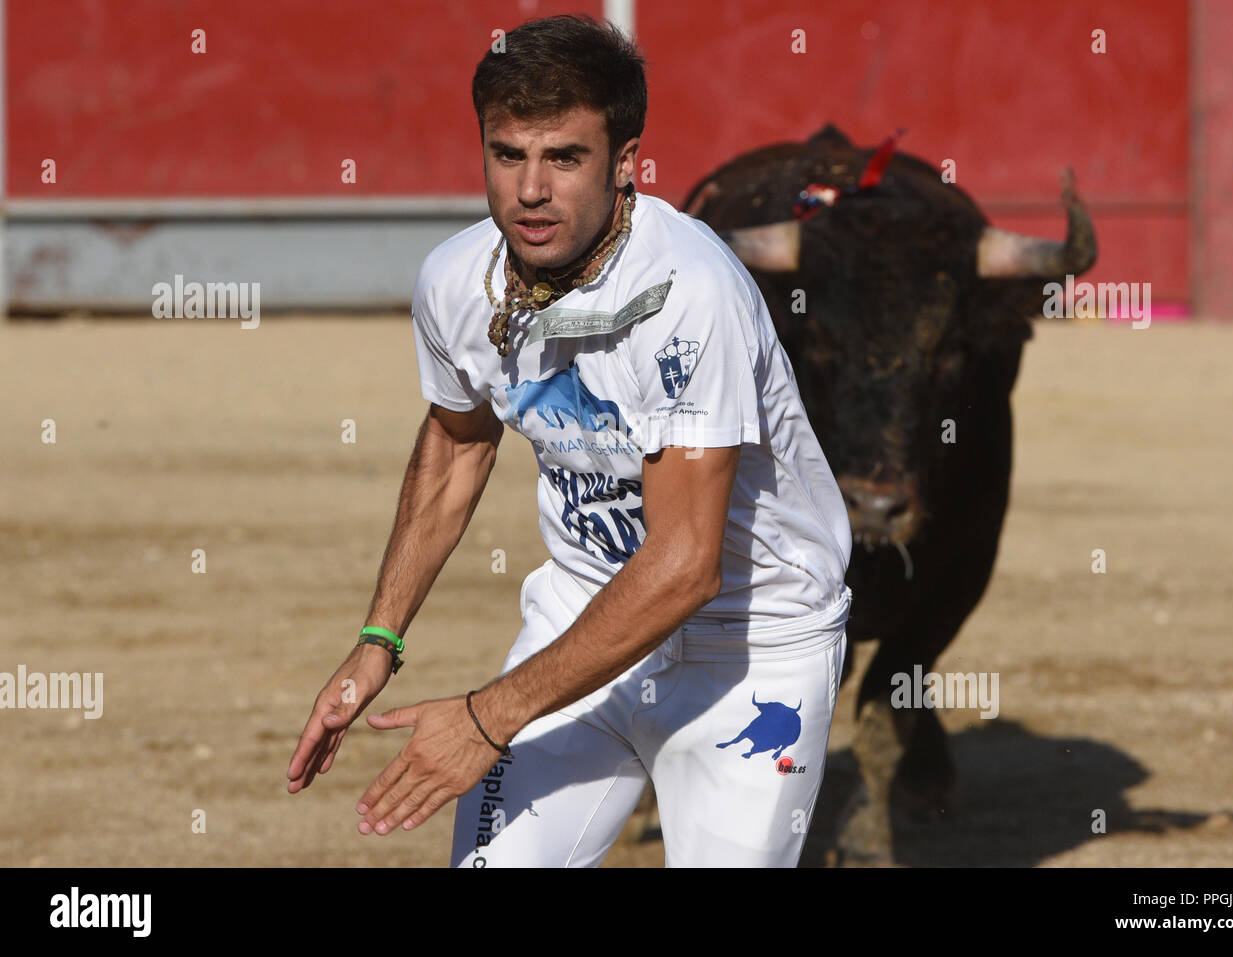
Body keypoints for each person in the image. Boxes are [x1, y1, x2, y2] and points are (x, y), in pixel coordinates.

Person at [287, 13, 852, 867]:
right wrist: (381, 640)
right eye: (507, 154)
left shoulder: (691, 290)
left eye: (565, 157)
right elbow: (458, 440)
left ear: (625, 163)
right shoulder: (456, 279)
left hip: (752, 643)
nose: (530, 191)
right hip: (584, 607)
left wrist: (484, 718)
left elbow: (687, 562)